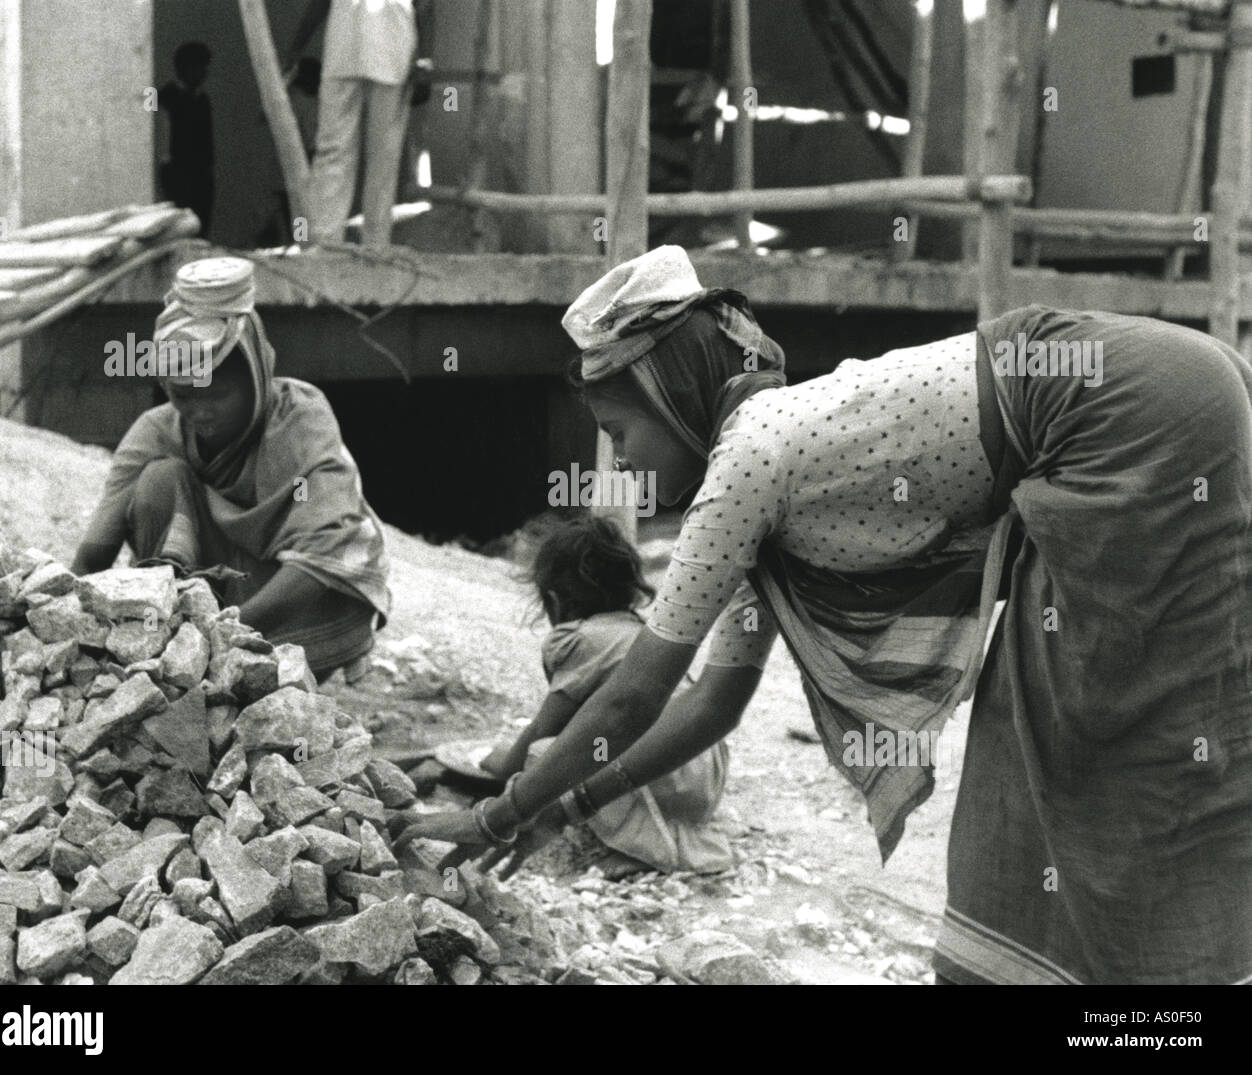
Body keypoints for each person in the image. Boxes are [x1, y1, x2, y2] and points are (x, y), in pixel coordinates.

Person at [397, 244, 1252, 986]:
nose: (621, 460)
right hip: (1160, 389)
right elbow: (713, 702)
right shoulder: (756, 495)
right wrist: (569, 804)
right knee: (1047, 731)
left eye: (621, 433)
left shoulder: (747, 460)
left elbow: (636, 692)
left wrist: (498, 811)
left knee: (1119, 739)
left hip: (1133, 409)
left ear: (668, 392)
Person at [71, 257, 391, 683]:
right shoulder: (157, 430)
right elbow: (96, 549)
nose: (199, 412)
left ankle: (236, 668)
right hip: (209, 612)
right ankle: (182, 659)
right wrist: (59, 629)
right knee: (158, 482)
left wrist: (220, 634)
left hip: (303, 609)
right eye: (183, 395)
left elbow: (323, 554)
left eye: (217, 394)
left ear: (256, 377)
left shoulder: (300, 419)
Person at [480, 513, 732, 874]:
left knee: (541, 755)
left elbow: (545, 730)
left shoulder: (578, 639)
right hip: (701, 775)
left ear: (553, 601)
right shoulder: (642, 632)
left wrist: (502, 767)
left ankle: (640, 849)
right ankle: (664, 831)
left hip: (658, 774)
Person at [285, 0, 435, 251]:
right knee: (336, 151)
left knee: (380, 158)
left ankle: (374, 247)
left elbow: (425, 5)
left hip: (388, 50)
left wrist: (425, 62)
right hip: (349, 50)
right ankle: (325, 244)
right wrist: (295, 49)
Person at [159, 41, 215, 238]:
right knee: (180, 229)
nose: (203, 73)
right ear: (184, 69)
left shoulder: (202, 99)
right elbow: (156, 130)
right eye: (199, 67)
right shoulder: (164, 97)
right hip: (178, 175)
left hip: (201, 176)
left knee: (201, 228)